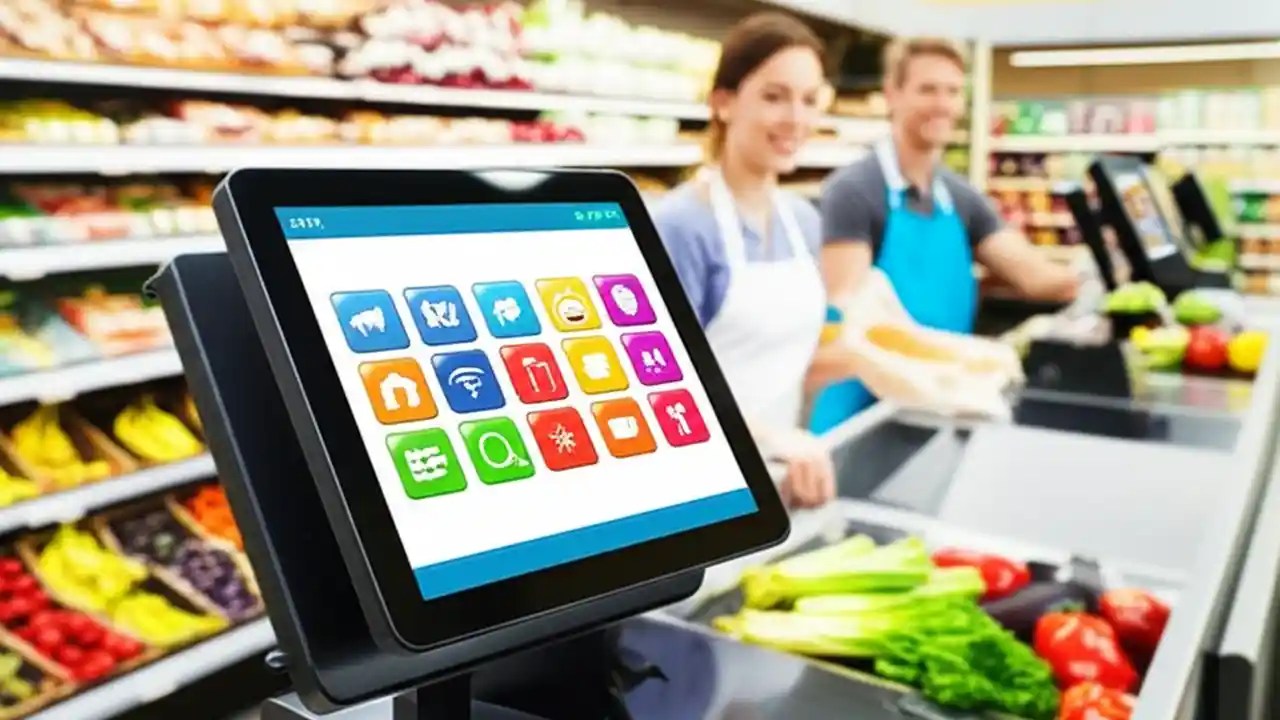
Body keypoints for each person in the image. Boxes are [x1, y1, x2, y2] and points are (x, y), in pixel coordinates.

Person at [809, 37, 1081, 433]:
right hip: (864, 417)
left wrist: (1106, 274)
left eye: (953, 91)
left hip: (940, 406)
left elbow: (1037, 278)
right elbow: (846, 325)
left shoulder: (960, 198)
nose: (943, 104)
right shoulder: (853, 191)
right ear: (892, 94)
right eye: (928, 89)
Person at [652, 12, 840, 509]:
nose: (796, 119)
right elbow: (663, 384)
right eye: (774, 97)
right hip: (695, 490)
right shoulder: (681, 226)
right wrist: (773, 439)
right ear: (724, 103)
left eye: (808, 99)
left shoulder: (804, 222)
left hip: (781, 483)